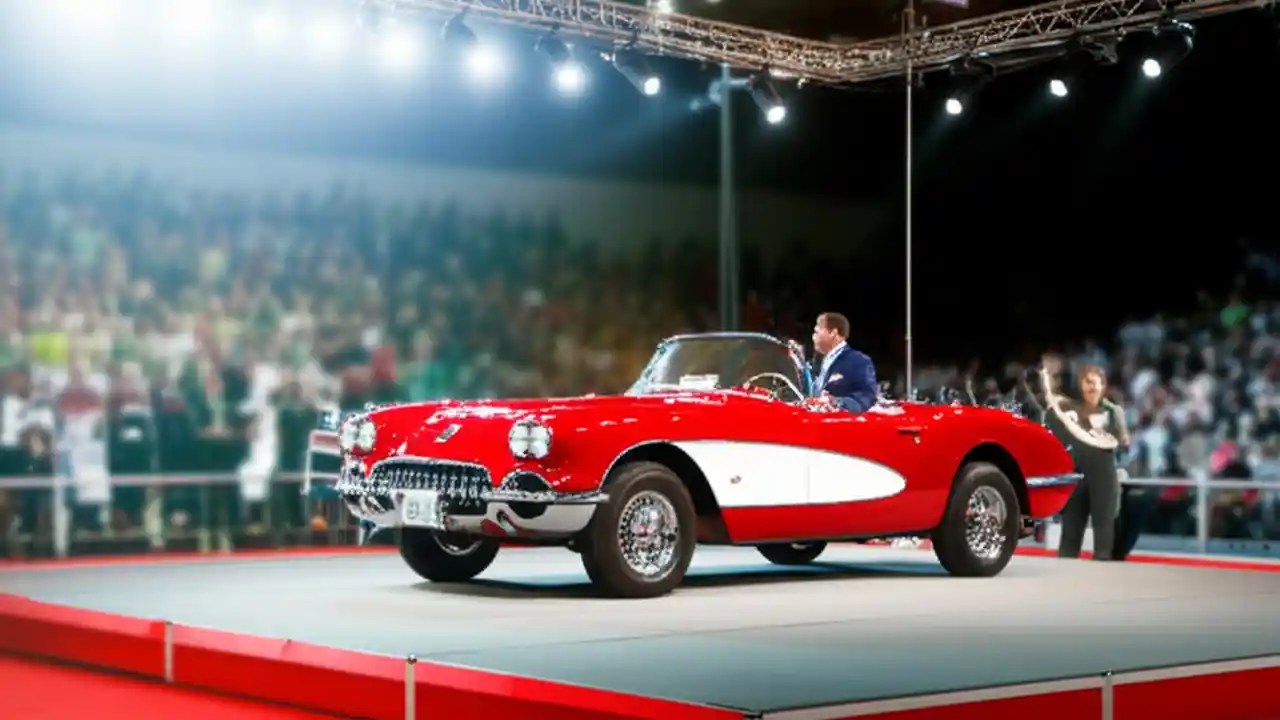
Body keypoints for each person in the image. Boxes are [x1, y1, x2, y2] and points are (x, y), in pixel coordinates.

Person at [1042, 364, 1131, 560]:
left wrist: (1116, 427)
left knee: (1104, 533)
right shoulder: (1069, 410)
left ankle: (1101, 578)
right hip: (1077, 476)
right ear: (1080, 386)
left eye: (1095, 382)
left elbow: (1124, 442)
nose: (1091, 387)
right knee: (1070, 534)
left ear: (1103, 386)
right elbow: (1053, 424)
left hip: (1104, 477)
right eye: (1086, 382)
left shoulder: (1112, 412)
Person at [808, 312, 878, 412]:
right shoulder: (818, 362)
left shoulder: (858, 361)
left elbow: (866, 396)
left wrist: (837, 403)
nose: (813, 337)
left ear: (833, 333)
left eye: (816, 332)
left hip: (843, 425)